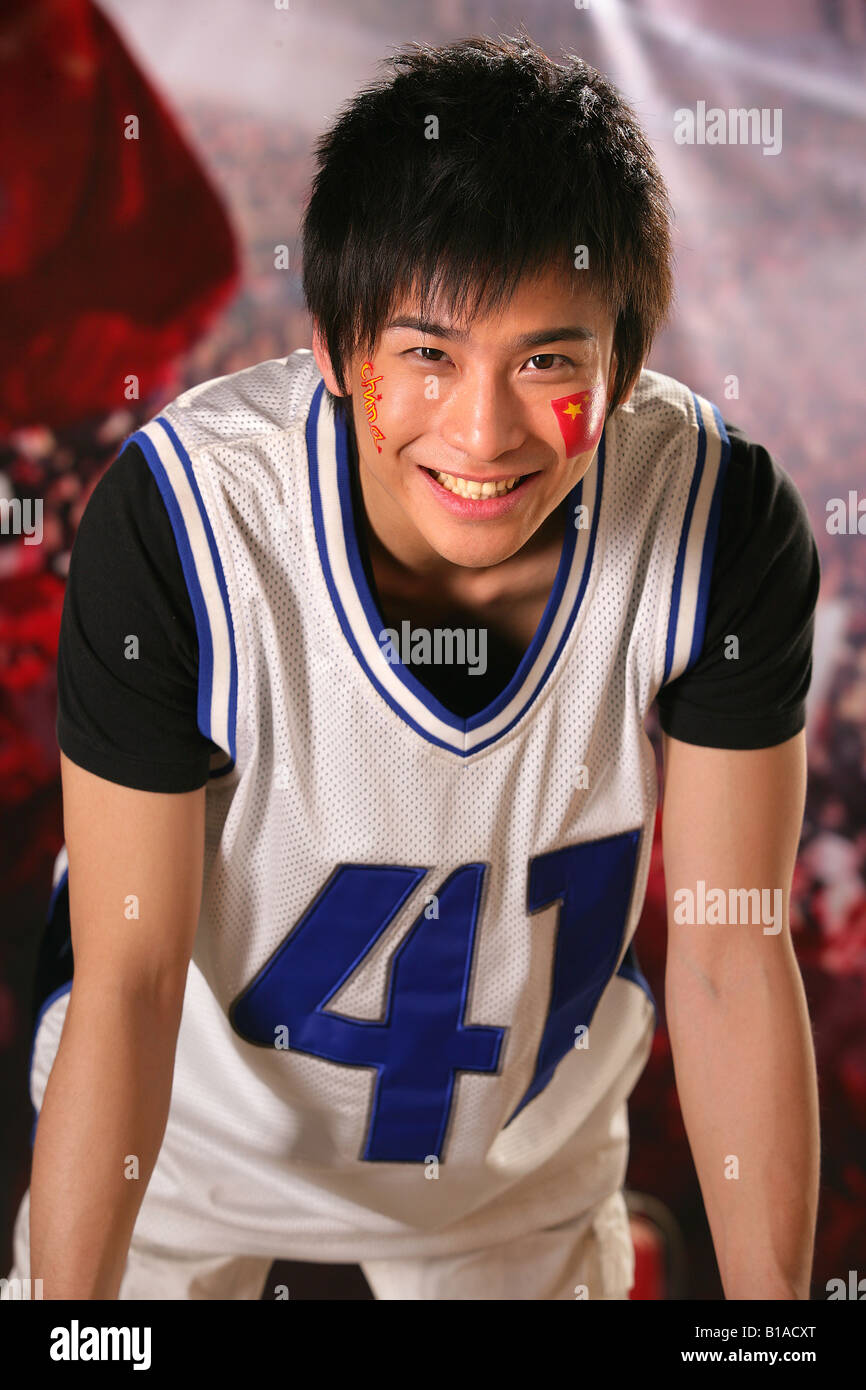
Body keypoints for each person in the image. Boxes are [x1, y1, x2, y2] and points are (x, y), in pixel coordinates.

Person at [4, 30, 820, 1301]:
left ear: (623, 367)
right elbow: (132, 974)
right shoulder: (187, 518)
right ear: (333, 353)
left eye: (547, 360)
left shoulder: (720, 516)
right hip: (185, 1149)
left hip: (515, 1168)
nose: (483, 431)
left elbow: (726, 952)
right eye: (426, 356)